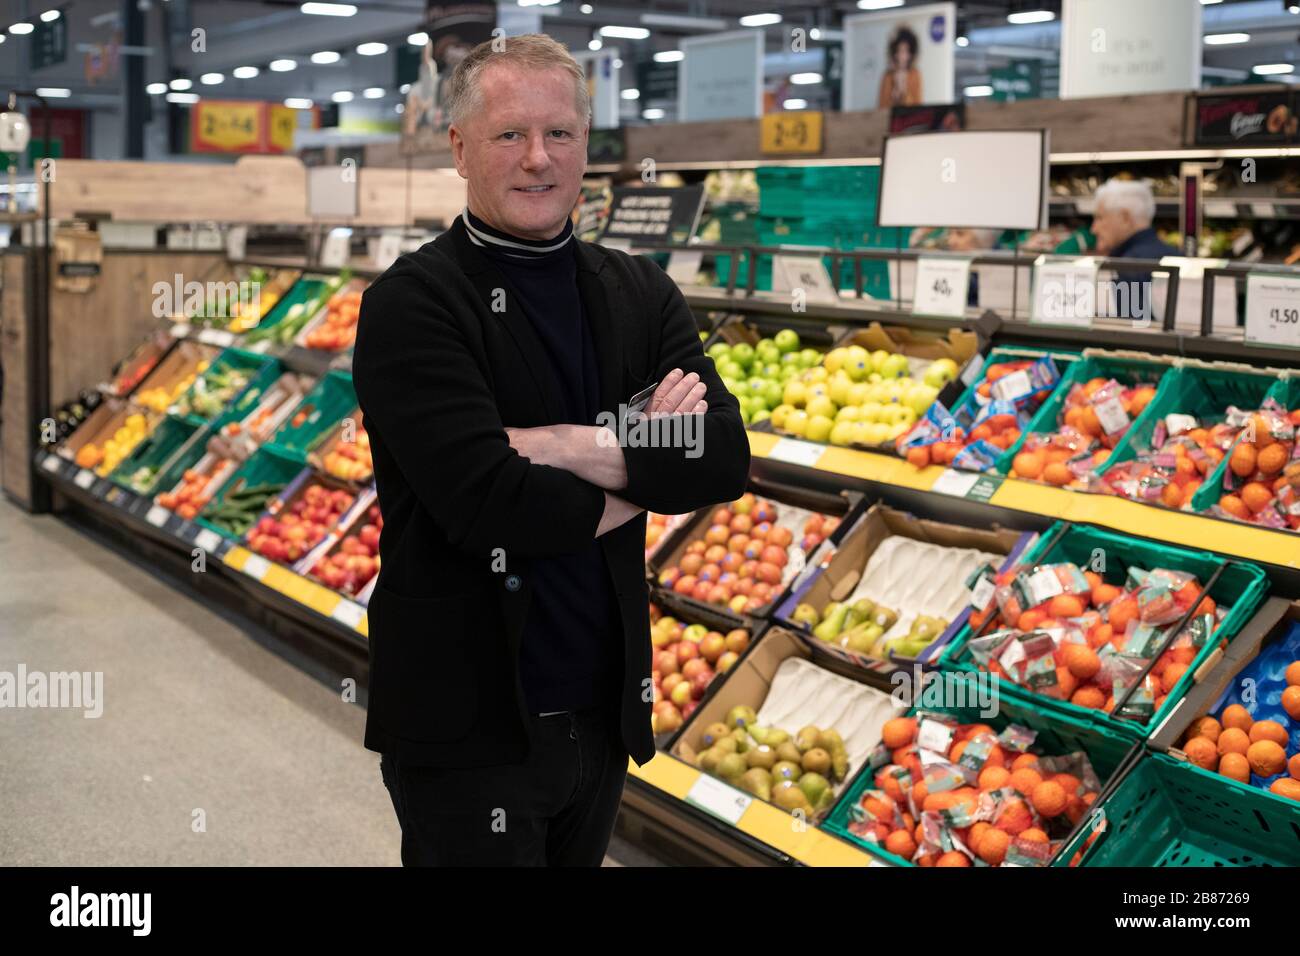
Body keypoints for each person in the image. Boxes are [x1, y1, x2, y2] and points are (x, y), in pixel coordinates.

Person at [351, 33, 751, 867]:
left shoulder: (639, 292)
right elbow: (487, 501)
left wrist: (571, 444)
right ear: (460, 149)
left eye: (560, 134)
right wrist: (644, 467)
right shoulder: (413, 305)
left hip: (603, 710)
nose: (539, 159)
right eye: (510, 136)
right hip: (468, 722)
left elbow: (720, 457)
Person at [1090, 179, 1177, 322]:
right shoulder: (1175, 255)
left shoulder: (1129, 268)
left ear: (1125, 218)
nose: (1093, 229)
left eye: (1099, 218)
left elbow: (1131, 335)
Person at [878, 27, 922, 108]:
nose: (902, 56)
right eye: (900, 51)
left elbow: (917, 106)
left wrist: (904, 93)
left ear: (910, 54)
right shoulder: (888, 76)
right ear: (895, 54)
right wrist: (894, 96)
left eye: (906, 51)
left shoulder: (915, 75)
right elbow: (881, 107)